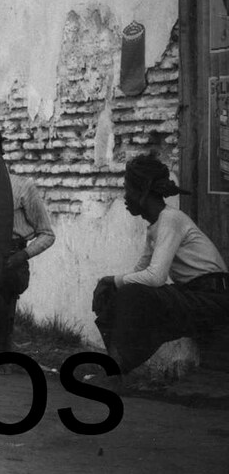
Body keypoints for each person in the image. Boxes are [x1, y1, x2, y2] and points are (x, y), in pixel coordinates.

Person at [92, 154, 229, 376]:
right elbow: (140, 272)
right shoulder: (155, 227)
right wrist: (109, 284)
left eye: (128, 189)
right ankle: (115, 364)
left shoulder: (170, 219)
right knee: (118, 292)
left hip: (214, 297)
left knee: (133, 295)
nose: (125, 197)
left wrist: (113, 280)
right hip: (194, 294)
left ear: (144, 191)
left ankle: (118, 367)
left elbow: (155, 277)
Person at [0, 129, 56, 355]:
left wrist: (21, 256)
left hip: (11, 261)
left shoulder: (22, 186)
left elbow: (47, 234)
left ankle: (0, 349)